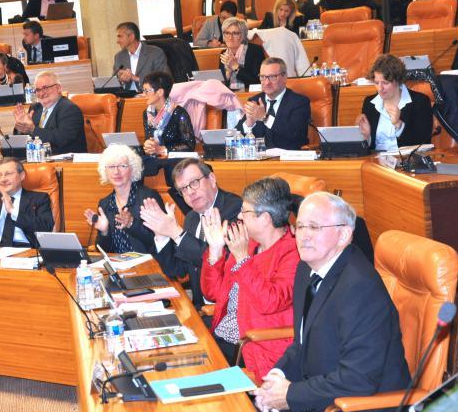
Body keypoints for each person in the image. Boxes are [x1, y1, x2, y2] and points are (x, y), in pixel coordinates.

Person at [225, 192, 410, 412]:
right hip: (320, 392)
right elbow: (301, 342)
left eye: (314, 227)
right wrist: (276, 377)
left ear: (344, 234)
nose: (304, 235)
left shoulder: (360, 288)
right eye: (300, 226)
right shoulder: (307, 268)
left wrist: (290, 394)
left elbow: (358, 380)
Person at [200, 177, 299, 380]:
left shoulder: (293, 253)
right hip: (223, 336)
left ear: (264, 218)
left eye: (244, 211)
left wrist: (243, 259)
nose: (239, 216)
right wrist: (216, 251)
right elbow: (213, 293)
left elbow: (269, 302)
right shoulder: (250, 244)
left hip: (254, 347)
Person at [140, 158, 243, 307]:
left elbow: (224, 263)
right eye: (183, 189)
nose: (190, 193)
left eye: (194, 182)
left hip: (226, 309)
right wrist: (162, 235)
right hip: (199, 308)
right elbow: (177, 270)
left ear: (212, 179)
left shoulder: (234, 209)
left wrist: (176, 233)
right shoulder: (192, 218)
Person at [84, 144, 165, 254]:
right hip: (118, 266)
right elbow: (103, 251)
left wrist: (132, 224)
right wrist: (104, 231)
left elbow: (160, 241)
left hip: (148, 266)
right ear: (105, 172)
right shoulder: (105, 204)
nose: (116, 172)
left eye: (122, 166)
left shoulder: (148, 198)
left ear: (132, 169)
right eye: (111, 167)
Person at [356, 54, 433, 151]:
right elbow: (368, 149)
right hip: (376, 162)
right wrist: (366, 137)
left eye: (385, 83)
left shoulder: (419, 102)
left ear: (398, 80)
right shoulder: (369, 103)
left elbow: (422, 143)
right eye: (376, 83)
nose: (380, 88)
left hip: (405, 161)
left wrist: (399, 125)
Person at [0, 158, 54, 247]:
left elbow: (45, 229)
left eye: (8, 174)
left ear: (22, 176)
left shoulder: (39, 199)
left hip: (24, 249)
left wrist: (13, 211)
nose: (3, 179)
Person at [234, 57, 310, 150]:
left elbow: (295, 134)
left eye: (272, 77)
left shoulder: (299, 102)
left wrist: (265, 118)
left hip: (288, 160)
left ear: (284, 77)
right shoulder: (255, 101)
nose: (266, 82)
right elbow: (236, 135)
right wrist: (249, 123)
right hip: (259, 160)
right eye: (262, 77)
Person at [13, 70, 86, 154]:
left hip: (65, 162)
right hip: (37, 160)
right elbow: (27, 139)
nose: (41, 93)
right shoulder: (35, 108)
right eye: (37, 90)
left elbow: (61, 139)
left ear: (58, 88)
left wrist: (33, 130)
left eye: (45, 88)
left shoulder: (70, 109)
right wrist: (21, 127)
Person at [141, 71, 196, 156]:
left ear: (160, 92)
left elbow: (189, 145)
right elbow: (148, 138)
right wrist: (148, 146)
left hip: (173, 161)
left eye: (147, 91)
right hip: (154, 159)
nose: (143, 94)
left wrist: (162, 150)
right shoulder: (147, 113)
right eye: (143, 91)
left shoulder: (179, 113)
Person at [113, 22, 170, 91]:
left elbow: (165, 80)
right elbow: (114, 83)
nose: (117, 41)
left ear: (131, 36)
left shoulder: (155, 53)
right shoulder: (119, 56)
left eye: (120, 36)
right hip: (126, 98)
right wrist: (121, 80)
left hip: (149, 98)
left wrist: (136, 78)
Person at [219, 17, 267, 90]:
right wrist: (228, 73)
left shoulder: (255, 51)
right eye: (227, 33)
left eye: (235, 33)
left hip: (249, 95)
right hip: (229, 95)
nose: (230, 37)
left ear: (243, 35)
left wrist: (235, 67)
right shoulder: (223, 53)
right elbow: (222, 85)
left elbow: (257, 81)